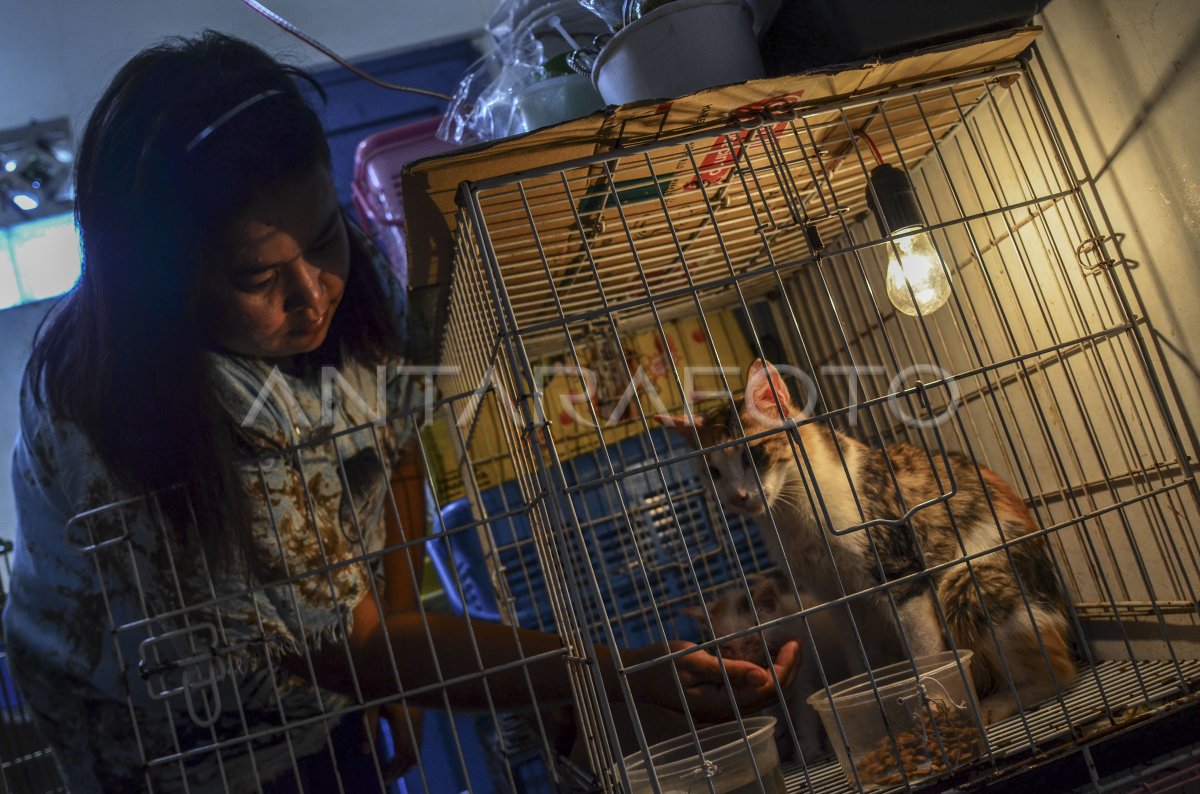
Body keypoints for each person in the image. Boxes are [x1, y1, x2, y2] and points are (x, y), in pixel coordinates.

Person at [1, 31, 800, 793]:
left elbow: (397, 444)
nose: (314, 292)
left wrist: (406, 665)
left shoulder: (348, 292)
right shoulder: (124, 418)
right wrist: (613, 673)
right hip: (171, 752)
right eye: (256, 277)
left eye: (323, 237)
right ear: (163, 283)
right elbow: (356, 649)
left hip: (319, 686)